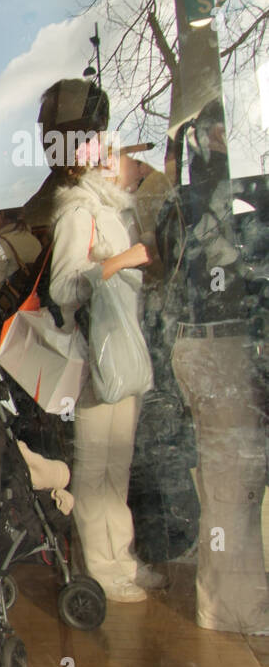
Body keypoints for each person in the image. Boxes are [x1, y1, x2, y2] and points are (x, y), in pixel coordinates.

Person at [39, 79, 165, 604]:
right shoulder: (77, 211)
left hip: (121, 353)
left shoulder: (109, 208)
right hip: (95, 360)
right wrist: (119, 261)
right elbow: (63, 286)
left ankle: (122, 561)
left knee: (118, 466)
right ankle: (104, 569)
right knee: (95, 469)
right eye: (90, 138)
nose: (103, 145)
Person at [156, 100, 269, 633]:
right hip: (224, 346)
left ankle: (229, 600)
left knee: (232, 482)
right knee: (234, 483)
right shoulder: (225, 199)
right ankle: (234, 608)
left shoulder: (189, 201)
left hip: (207, 346)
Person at [0, 209, 41, 343]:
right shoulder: (34, 241)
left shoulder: (0, 244)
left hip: (13, 318)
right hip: (35, 313)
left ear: (4, 215)